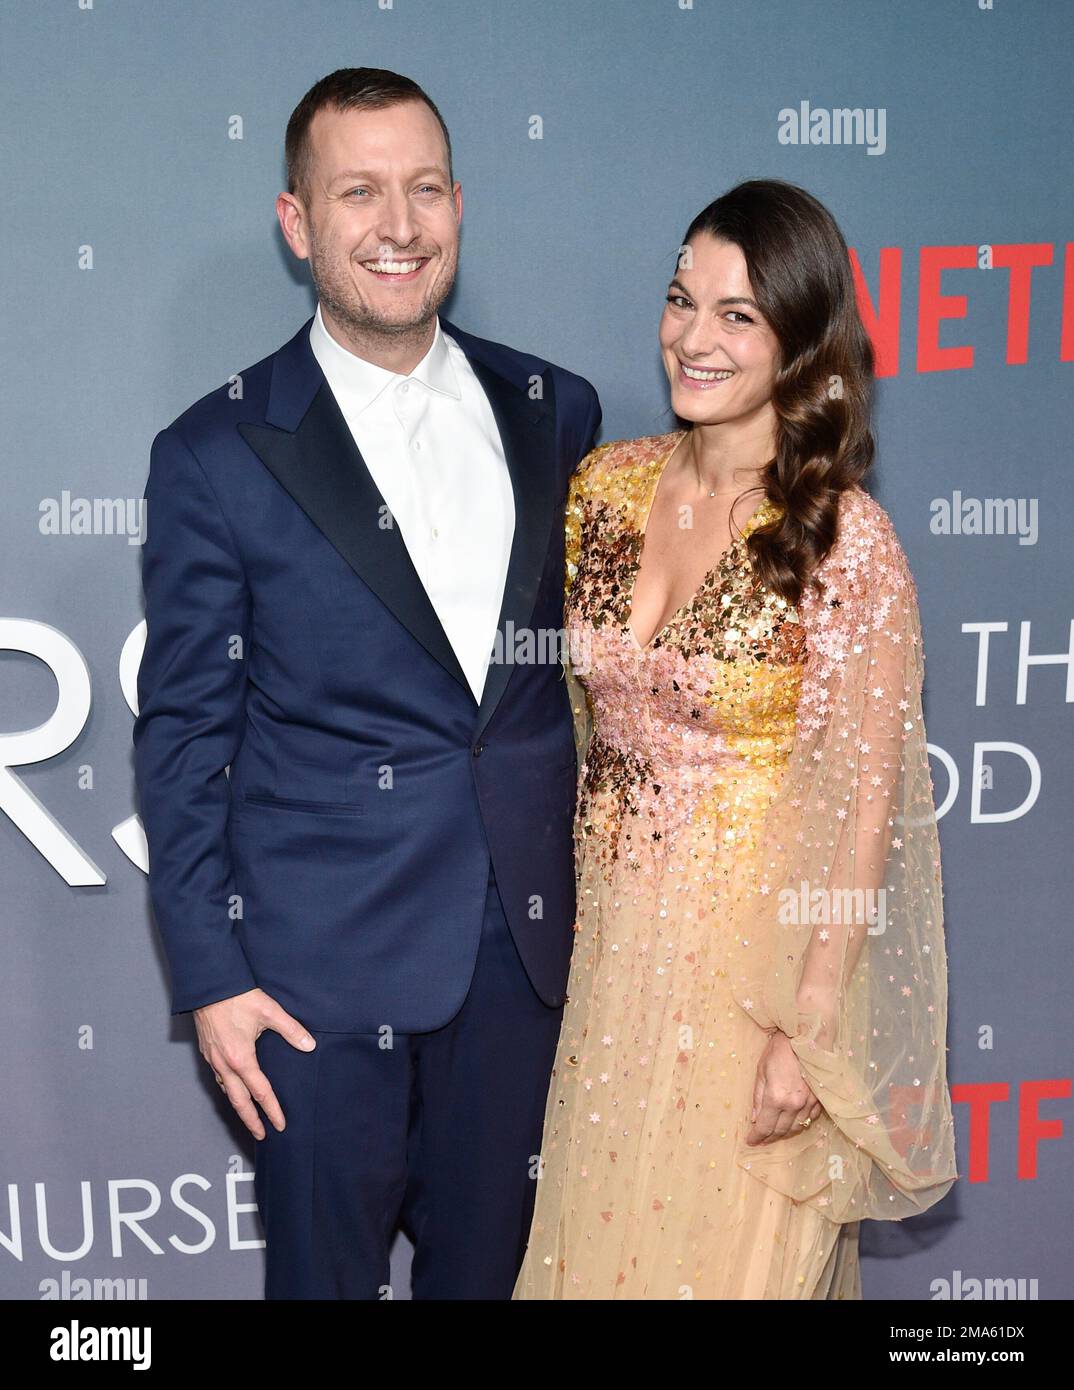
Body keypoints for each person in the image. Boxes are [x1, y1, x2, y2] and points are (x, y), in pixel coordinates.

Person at [132, 67, 601, 1299]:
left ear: (460, 202)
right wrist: (212, 978)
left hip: (521, 962)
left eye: (424, 188)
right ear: (298, 223)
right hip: (311, 983)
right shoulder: (215, 450)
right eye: (359, 192)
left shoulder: (557, 410)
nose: (398, 224)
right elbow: (183, 734)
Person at [513, 179, 958, 1300]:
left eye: (737, 315)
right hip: (614, 982)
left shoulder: (846, 542)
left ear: (801, 342)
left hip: (753, 990)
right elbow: (583, 738)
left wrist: (807, 1028)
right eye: (680, 299)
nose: (692, 338)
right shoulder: (602, 491)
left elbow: (867, 813)